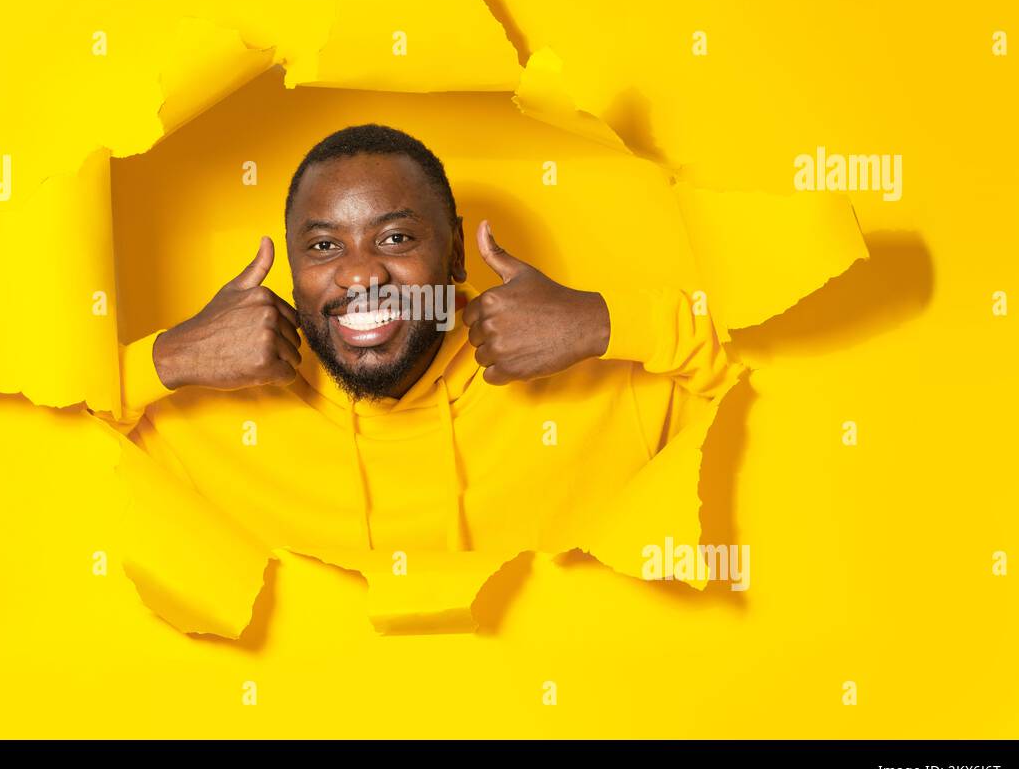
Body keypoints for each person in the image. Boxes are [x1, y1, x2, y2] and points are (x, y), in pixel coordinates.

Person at [105, 124, 735, 558]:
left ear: (456, 252)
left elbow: (799, 378)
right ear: (292, 270)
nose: (359, 275)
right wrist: (171, 358)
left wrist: (600, 322)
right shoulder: (198, 419)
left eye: (396, 239)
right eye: (324, 247)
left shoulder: (611, 385)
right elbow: (26, 457)